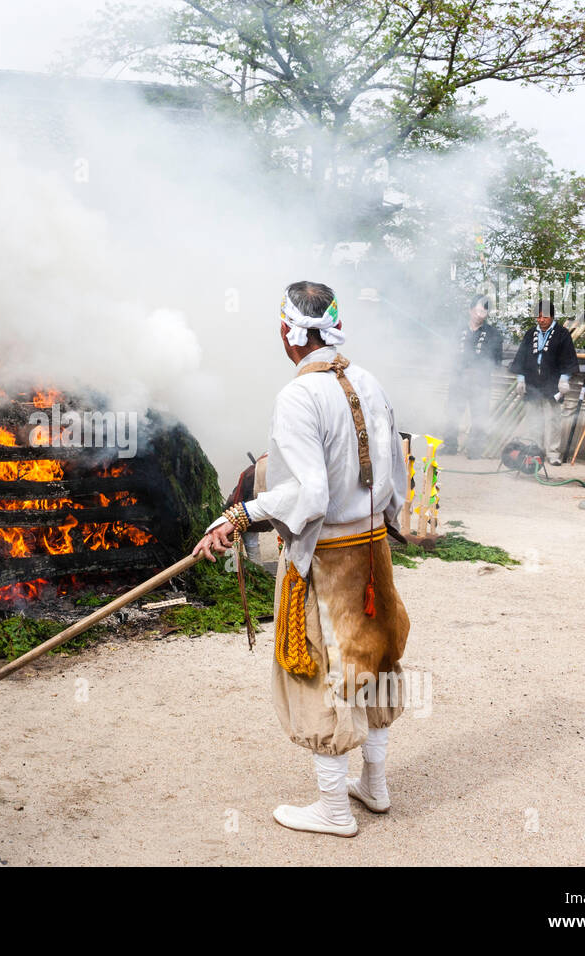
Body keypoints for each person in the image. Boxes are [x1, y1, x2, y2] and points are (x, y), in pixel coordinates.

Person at [193, 281, 411, 838]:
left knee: (321, 671)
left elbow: (310, 495)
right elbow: (395, 474)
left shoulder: (297, 396)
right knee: (375, 662)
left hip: (328, 562)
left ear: (290, 334)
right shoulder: (368, 381)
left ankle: (335, 810)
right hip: (372, 550)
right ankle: (376, 786)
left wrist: (241, 513)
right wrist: (382, 523)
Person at [509, 297, 579, 466]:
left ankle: (553, 453)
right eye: (538, 317)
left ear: (552, 317)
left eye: (544, 317)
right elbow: (521, 357)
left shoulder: (562, 334)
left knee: (552, 420)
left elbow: (568, 359)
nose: (541, 320)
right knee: (533, 419)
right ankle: (535, 451)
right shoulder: (531, 333)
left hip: (552, 384)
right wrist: (520, 379)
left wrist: (564, 379)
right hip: (532, 382)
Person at [439, 294, 503, 458]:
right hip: (458, 379)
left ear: (487, 314)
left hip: (480, 382)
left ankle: (475, 449)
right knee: (452, 412)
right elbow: (449, 354)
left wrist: (479, 369)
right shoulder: (458, 331)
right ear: (470, 310)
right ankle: (450, 445)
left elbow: (496, 360)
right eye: (477, 310)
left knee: (479, 415)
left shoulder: (494, 334)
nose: (479, 314)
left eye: (483, 311)